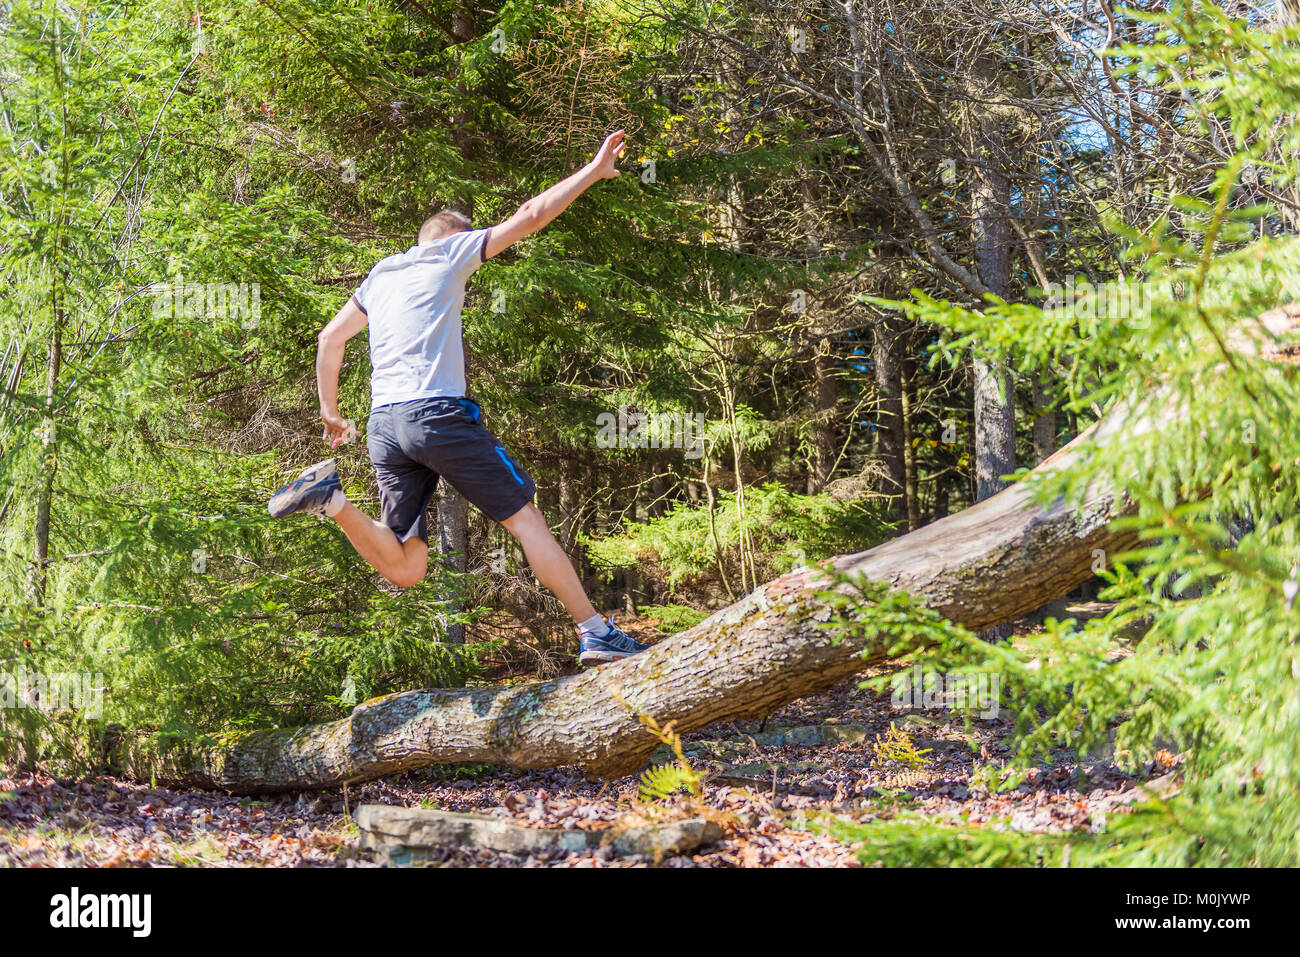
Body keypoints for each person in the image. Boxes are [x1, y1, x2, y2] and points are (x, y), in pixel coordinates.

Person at [268, 130, 648, 666]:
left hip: (385, 427)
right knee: (525, 520)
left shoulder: (381, 274)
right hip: (435, 415)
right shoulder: (450, 253)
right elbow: (532, 213)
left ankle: (330, 500)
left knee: (405, 568)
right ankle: (596, 631)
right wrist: (592, 171)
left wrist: (330, 411)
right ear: (452, 237)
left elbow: (331, 339)